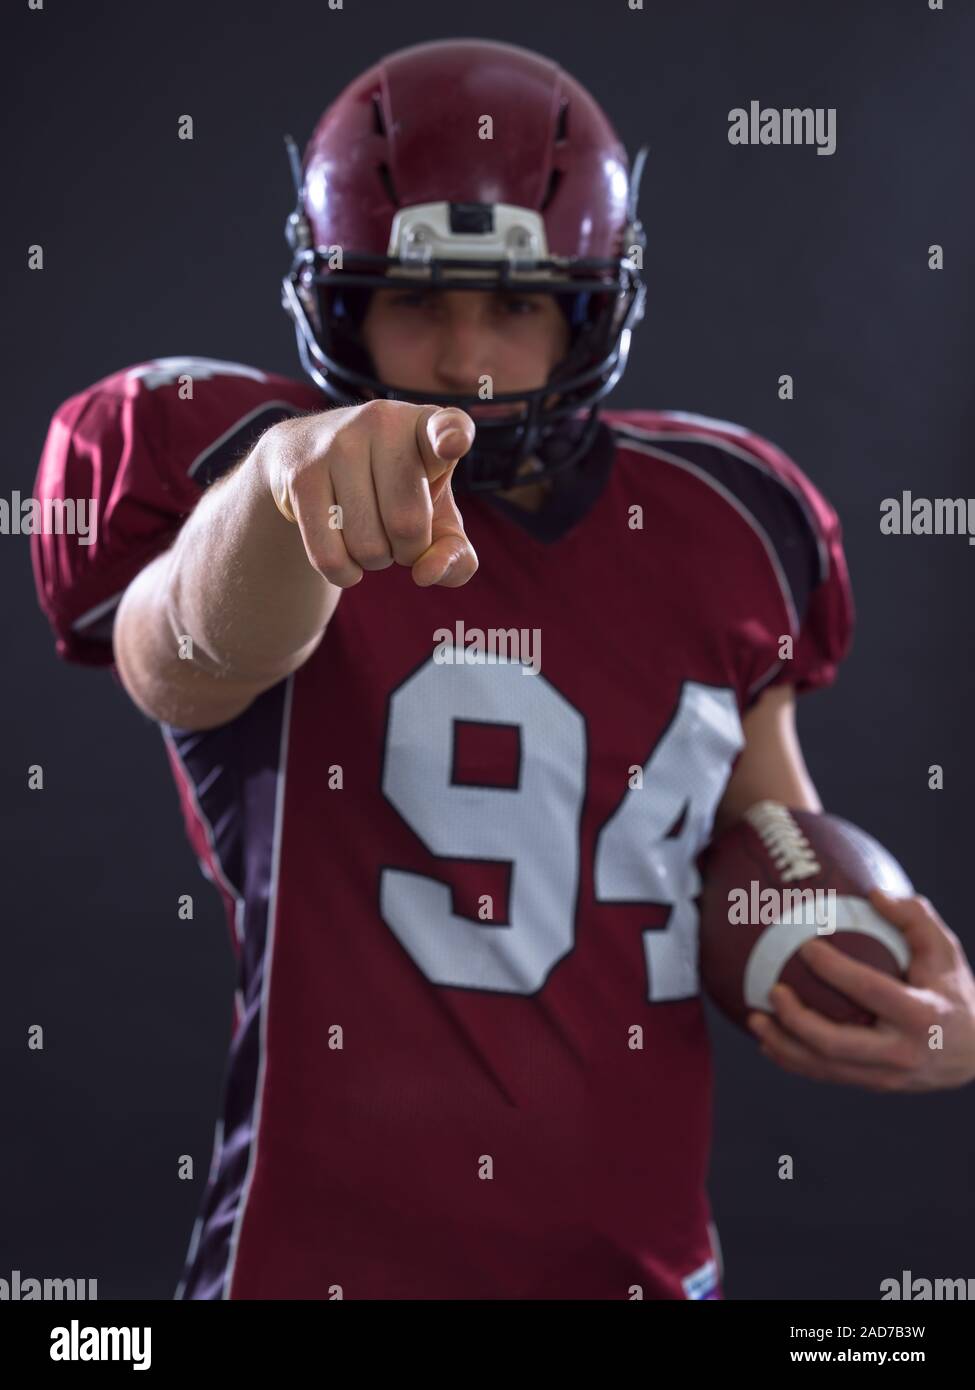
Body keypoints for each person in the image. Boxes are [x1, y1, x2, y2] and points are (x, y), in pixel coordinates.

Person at [31, 38, 975, 1300]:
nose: (466, 356)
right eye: (417, 300)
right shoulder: (246, 476)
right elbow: (180, 658)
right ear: (337, 302)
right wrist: (278, 498)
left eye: (516, 304)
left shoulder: (734, 516)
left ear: (590, 309)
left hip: (642, 1268)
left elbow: (758, 824)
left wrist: (879, 968)